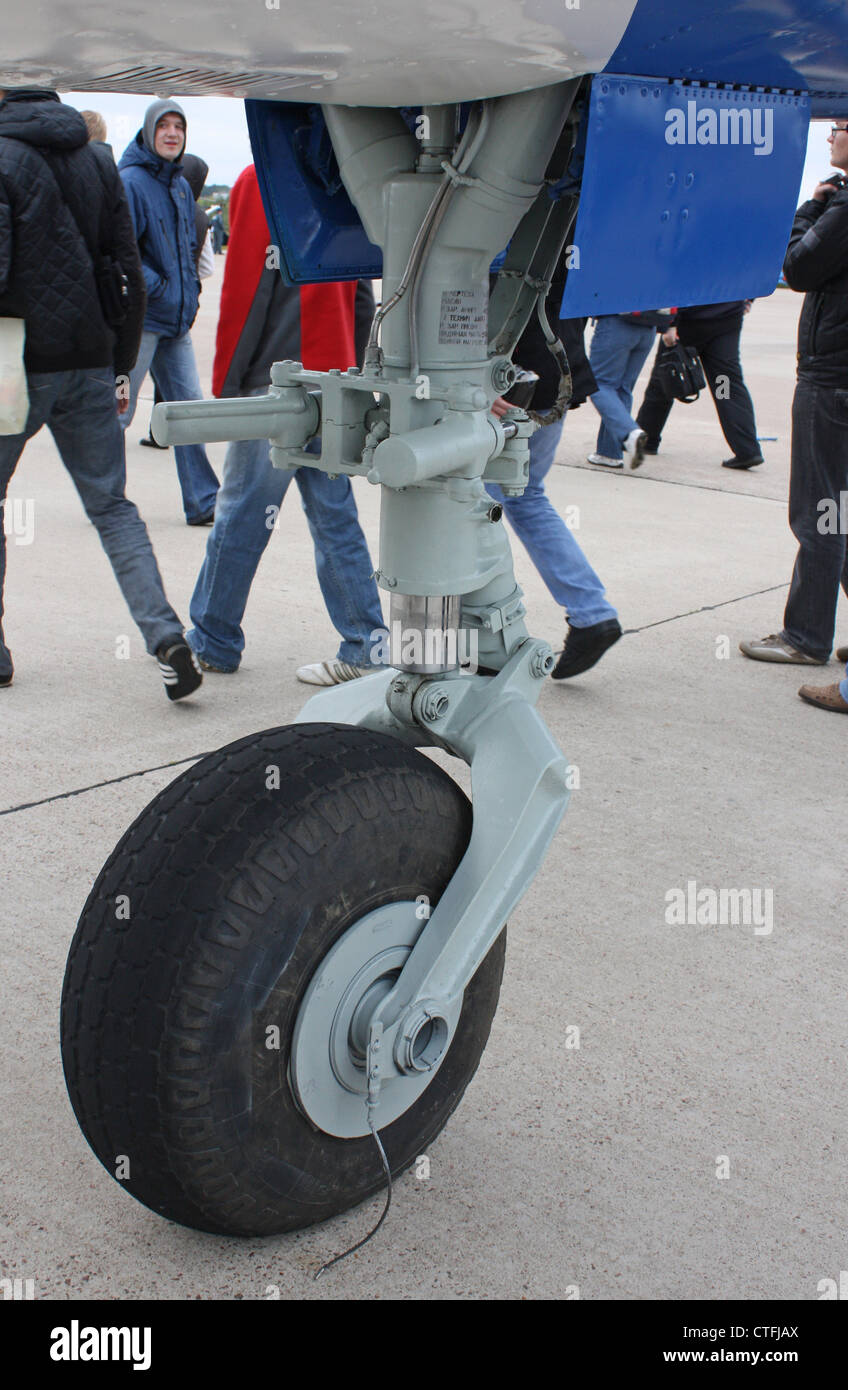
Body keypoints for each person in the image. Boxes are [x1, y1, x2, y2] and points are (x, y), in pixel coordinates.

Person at [0, 87, 201, 700]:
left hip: (14, 360)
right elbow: (126, 267)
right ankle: (165, 635)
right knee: (112, 507)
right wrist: (119, 364)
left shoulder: (1, 158)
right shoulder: (96, 159)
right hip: (89, 356)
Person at [186, 163, 385, 684]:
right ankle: (367, 644)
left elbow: (246, 287)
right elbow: (363, 293)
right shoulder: (344, 177)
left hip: (279, 378)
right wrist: (361, 377)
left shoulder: (261, 179)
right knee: (335, 519)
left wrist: (229, 382)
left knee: (243, 514)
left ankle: (213, 639)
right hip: (334, 380)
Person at [740, 120, 848, 714]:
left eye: (842, 127)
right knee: (843, 507)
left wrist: (809, 210)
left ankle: (806, 637)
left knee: (820, 510)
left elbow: (797, 269)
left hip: (832, 377)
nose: (832, 134)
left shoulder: (842, 206)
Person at [488, 296, 622, 678]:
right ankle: (591, 611)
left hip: (505, 383)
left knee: (472, 503)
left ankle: (479, 635)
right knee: (524, 495)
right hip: (555, 375)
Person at [118, 100, 220, 525]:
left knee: (188, 413)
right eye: (164, 126)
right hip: (140, 321)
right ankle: (105, 499)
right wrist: (157, 289)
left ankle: (204, 502)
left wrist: (189, 293)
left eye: (179, 126)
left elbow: (185, 253)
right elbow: (120, 251)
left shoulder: (180, 186)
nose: (172, 133)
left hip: (176, 323)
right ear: (148, 132)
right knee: (118, 412)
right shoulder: (130, 183)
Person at [139, 152, 213, 451]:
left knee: (122, 397)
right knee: (179, 390)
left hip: (148, 312)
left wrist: (158, 286)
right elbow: (206, 267)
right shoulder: (202, 216)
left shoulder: (159, 202)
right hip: (182, 311)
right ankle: (161, 433)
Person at [636, 302, 762, 469]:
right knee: (724, 384)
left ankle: (647, 437)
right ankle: (746, 448)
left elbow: (678, 280)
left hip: (690, 320)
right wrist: (748, 298)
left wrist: (670, 323)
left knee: (668, 374)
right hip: (726, 317)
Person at [586, 311, 669, 469]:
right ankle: (609, 453)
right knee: (622, 389)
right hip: (648, 328)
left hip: (616, 322)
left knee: (599, 385)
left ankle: (629, 433)